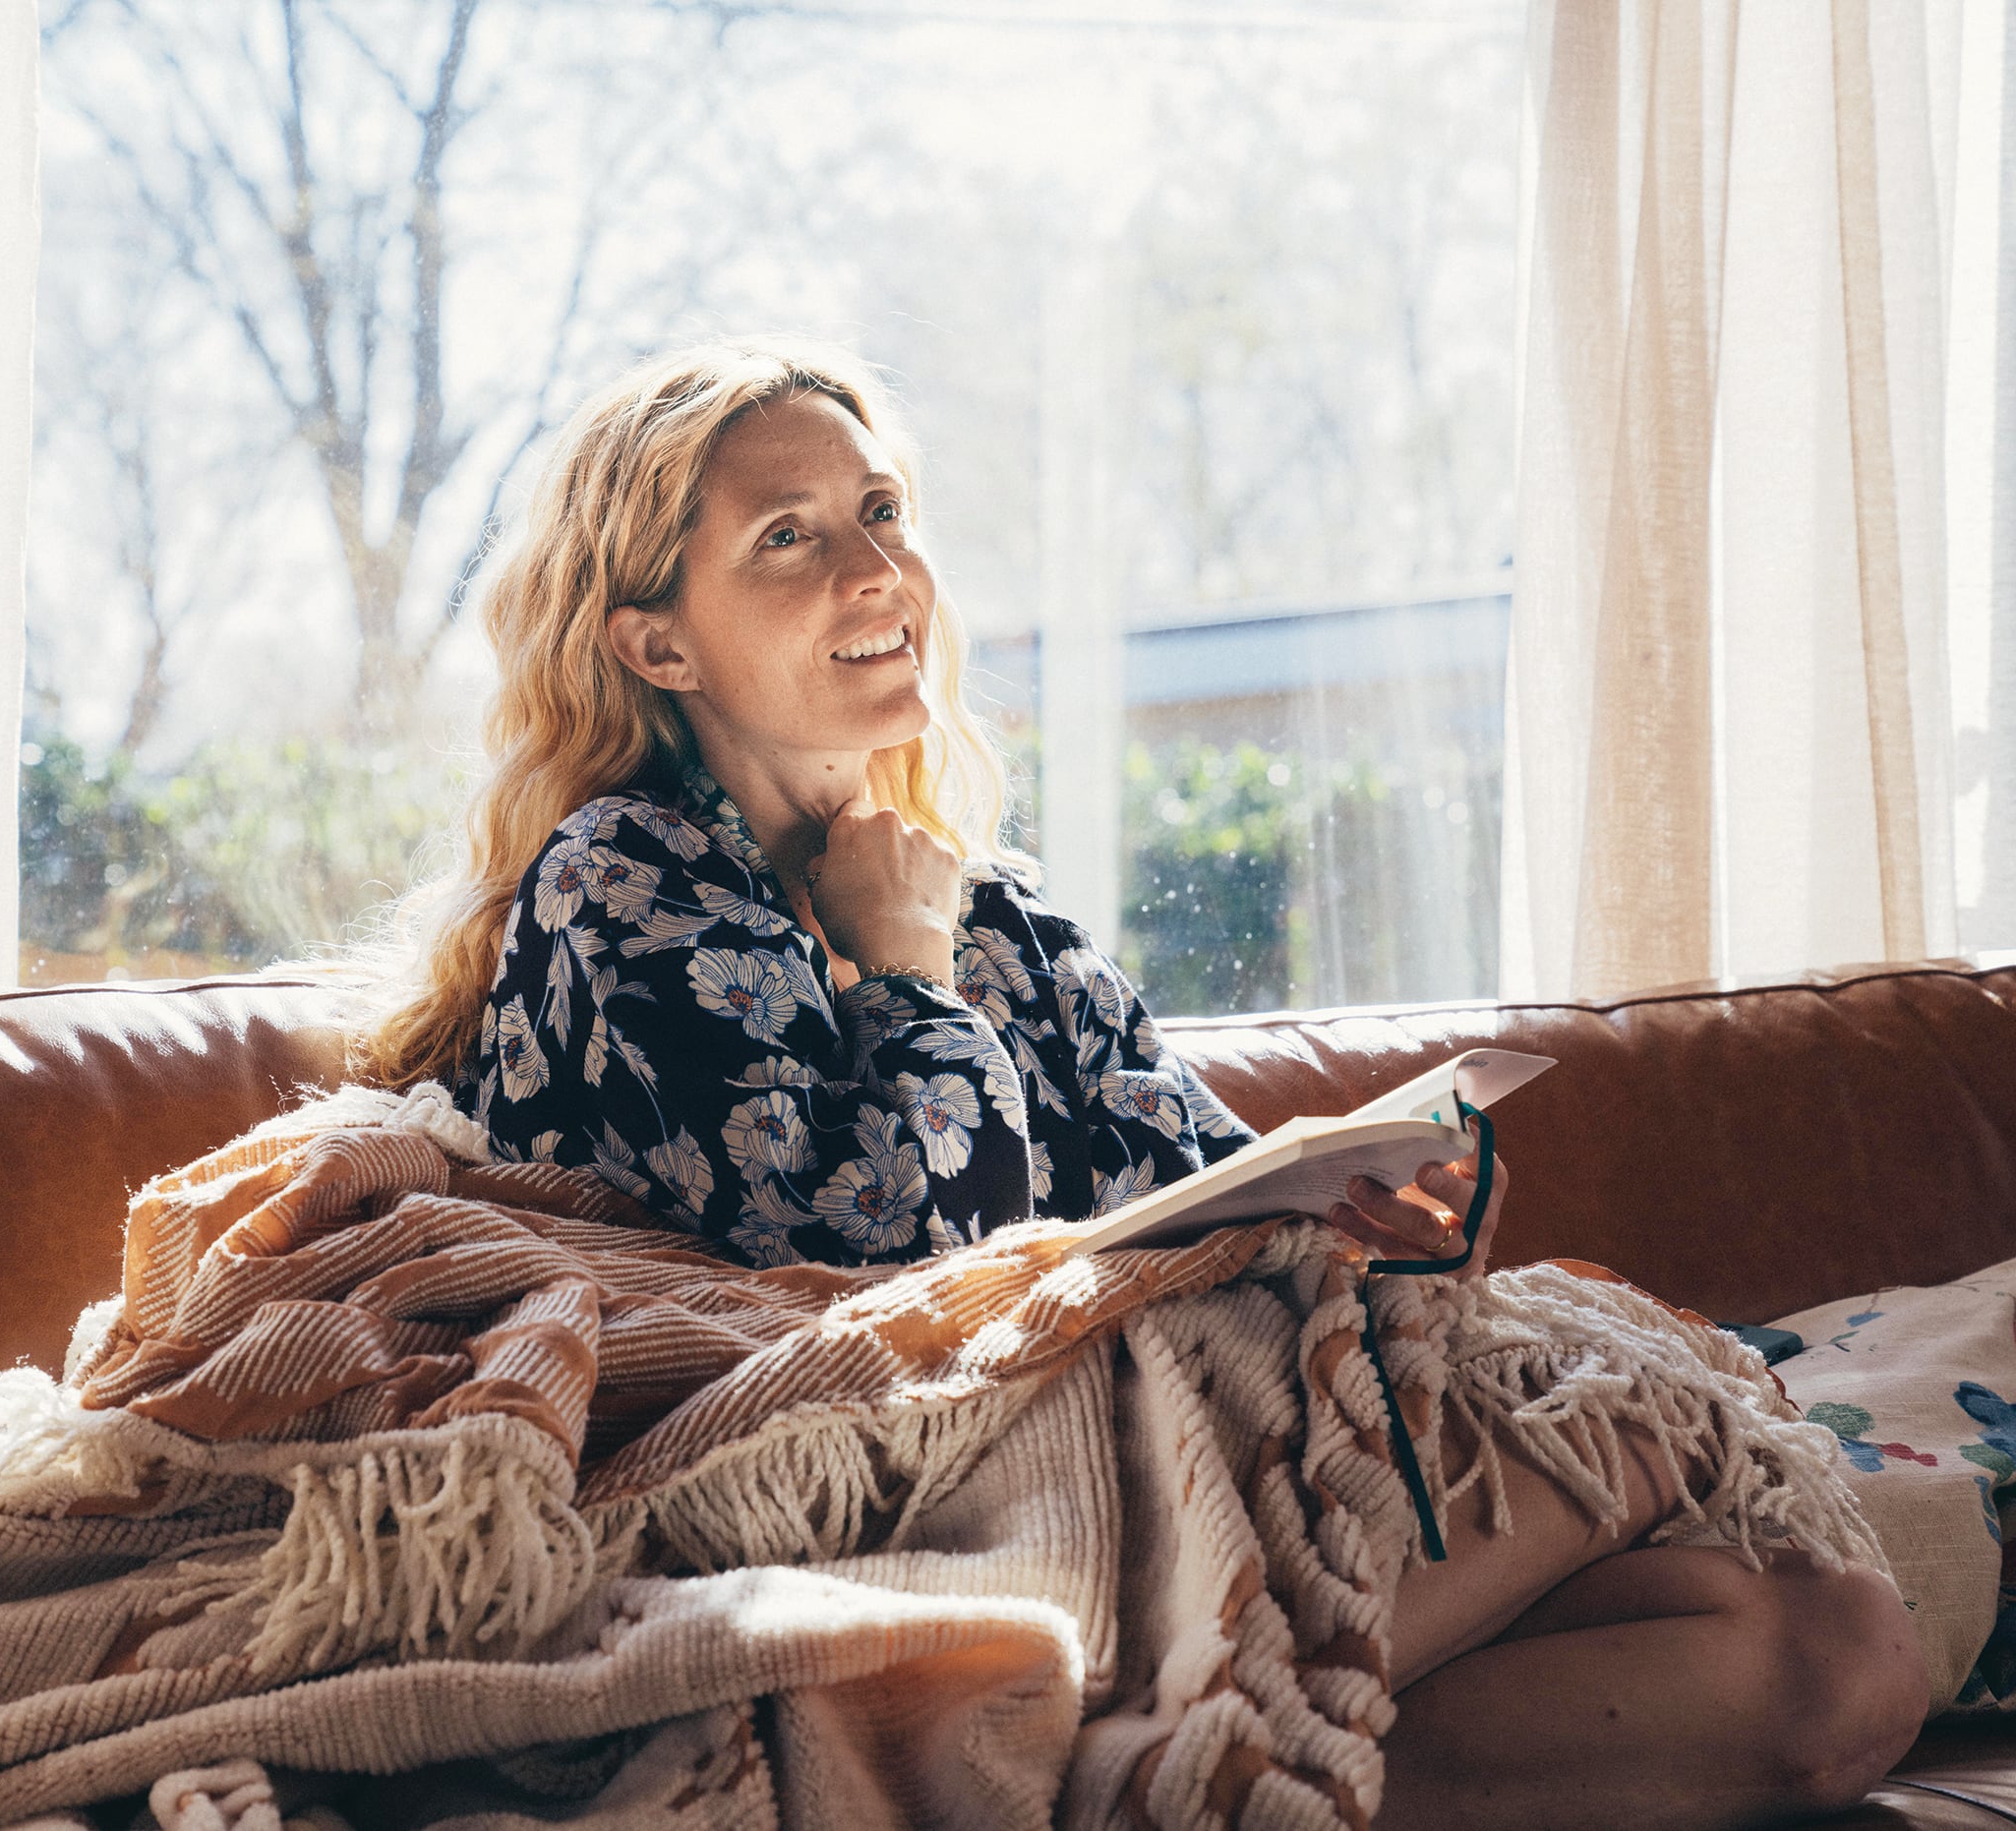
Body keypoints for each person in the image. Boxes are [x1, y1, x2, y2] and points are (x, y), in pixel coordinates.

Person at [365, 339, 1927, 1828]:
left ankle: (1152, 1777)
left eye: (882, 511)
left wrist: (1376, 1199)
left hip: (1156, 1488)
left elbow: (1204, 1194)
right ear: (657, 643)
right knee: (1643, 1440)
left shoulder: (998, 914)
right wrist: (901, 968)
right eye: (790, 535)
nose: (876, 568)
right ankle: (1070, 1747)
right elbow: (891, 1286)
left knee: (1825, 1655)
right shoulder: (623, 877)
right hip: (913, 1524)